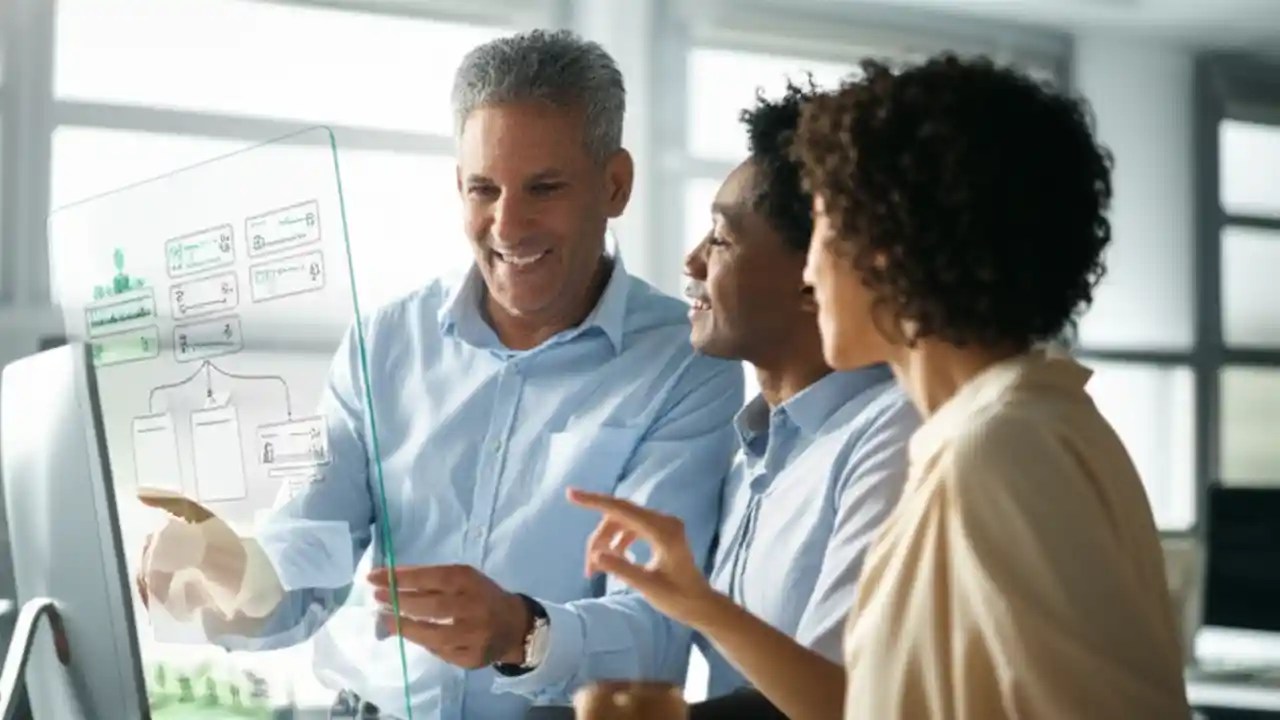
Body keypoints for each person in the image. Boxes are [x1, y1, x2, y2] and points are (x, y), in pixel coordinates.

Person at [136, 30, 743, 720]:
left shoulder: (685, 362)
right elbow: (310, 557)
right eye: (484, 189)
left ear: (615, 185)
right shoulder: (386, 340)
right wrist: (229, 568)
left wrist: (523, 630)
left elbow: (658, 628)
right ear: (458, 185)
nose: (508, 226)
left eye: (543, 188)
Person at [572, 54, 1192, 720]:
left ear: (887, 249)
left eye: (827, 231)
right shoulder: (990, 430)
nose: (811, 269)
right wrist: (698, 604)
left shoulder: (1002, 449)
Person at [530, 82, 918, 720]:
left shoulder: (891, 437)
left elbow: (847, 703)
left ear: (816, 269)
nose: (692, 261)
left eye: (721, 238)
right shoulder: (755, 459)